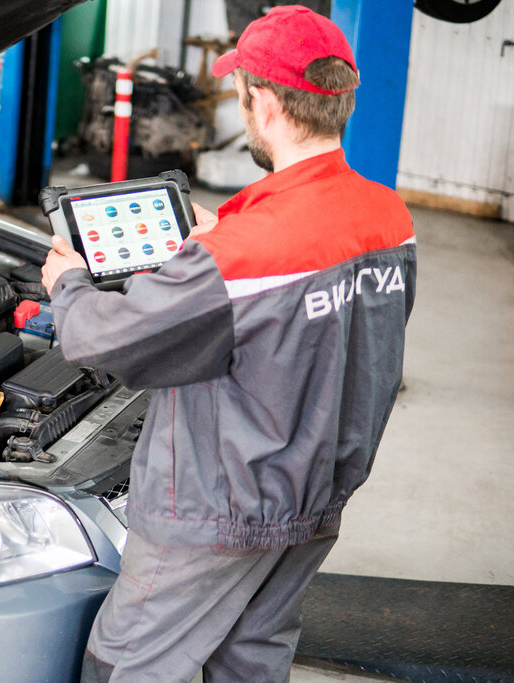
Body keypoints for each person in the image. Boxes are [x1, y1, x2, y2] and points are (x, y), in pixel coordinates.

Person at [41, 6, 416, 682]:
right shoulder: (388, 215)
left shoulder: (238, 255)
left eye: (243, 93)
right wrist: (223, 233)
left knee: (125, 664)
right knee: (250, 657)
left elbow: (107, 341)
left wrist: (68, 284)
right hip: (316, 496)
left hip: (215, 511)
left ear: (264, 101)